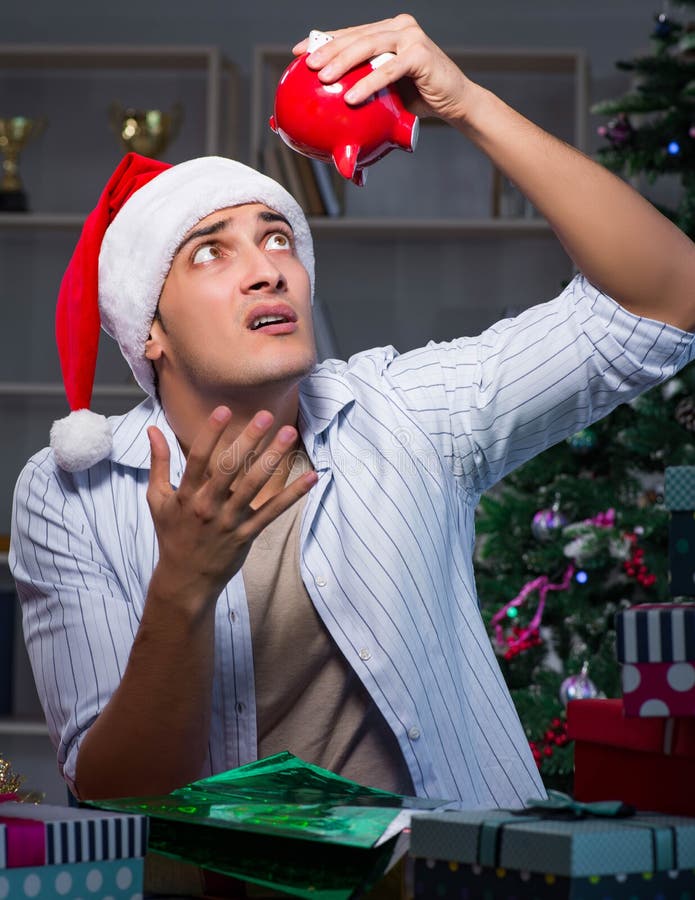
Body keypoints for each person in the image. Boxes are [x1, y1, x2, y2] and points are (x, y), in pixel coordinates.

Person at [9, 15, 695, 807]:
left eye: (277, 238)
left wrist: (466, 104)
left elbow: (664, 302)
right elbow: (116, 793)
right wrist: (182, 589)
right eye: (210, 251)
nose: (267, 270)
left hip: (447, 867)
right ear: (147, 330)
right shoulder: (69, 493)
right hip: (227, 875)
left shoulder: (405, 412)